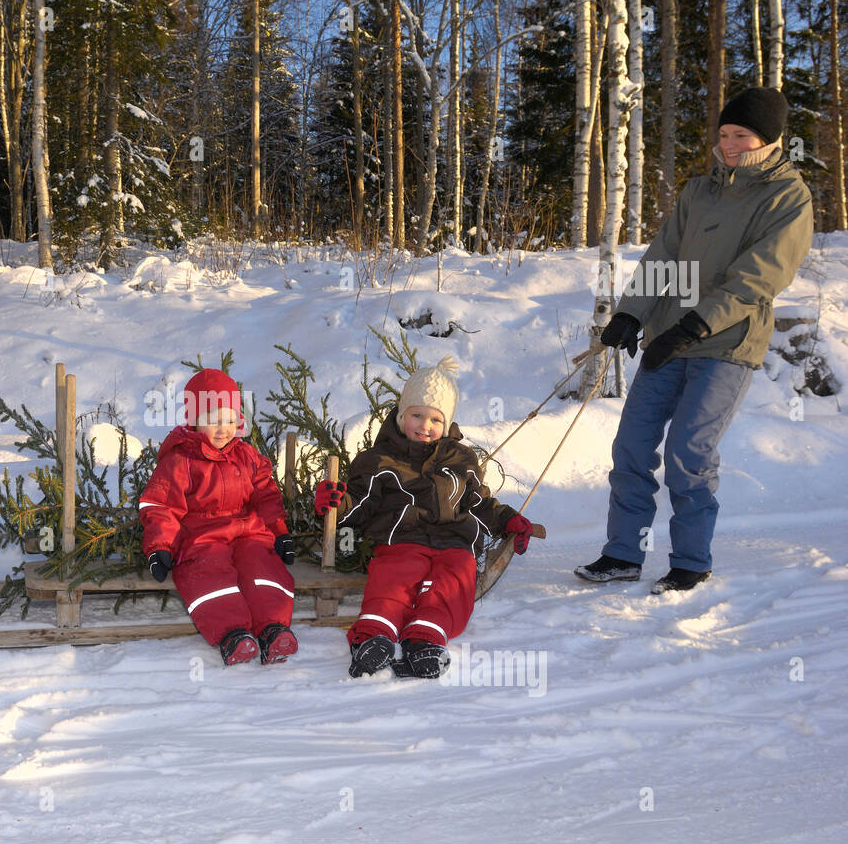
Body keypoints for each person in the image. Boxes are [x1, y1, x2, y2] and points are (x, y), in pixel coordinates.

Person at [578, 86, 814, 594]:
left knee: (689, 452)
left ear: (769, 140)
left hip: (725, 345)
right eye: (724, 134)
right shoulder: (700, 190)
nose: (729, 145)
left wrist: (697, 324)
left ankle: (690, 560)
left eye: (742, 135)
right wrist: (630, 314)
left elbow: (758, 277)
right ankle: (622, 553)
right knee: (633, 448)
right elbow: (664, 257)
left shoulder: (788, 196)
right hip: (668, 337)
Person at [315, 357, 534, 679]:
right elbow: (362, 505)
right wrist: (338, 503)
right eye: (416, 415)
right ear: (402, 415)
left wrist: (508, 520)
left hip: (455, 541)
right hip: (400, 539)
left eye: (435, 419)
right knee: (394, 581)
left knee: (454, 582)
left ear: (447, 424)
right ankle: (373, 636)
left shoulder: (462, 458)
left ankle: (425, 639)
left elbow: (477, 502)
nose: (425, 426)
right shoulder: (378, 460)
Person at [139, 368, 297, 665]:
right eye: (214, 420)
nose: (223, 429)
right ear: (195, 420)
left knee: (261, 565)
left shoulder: (247, 456)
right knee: (209, 573)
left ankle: (273, 628)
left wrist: (279, 532)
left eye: (229, 420)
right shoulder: (181, 459)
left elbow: (266, 496)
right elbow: (161, 505)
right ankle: (233, 634)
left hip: (248, 532)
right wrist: (160, 547)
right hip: (202, 536)